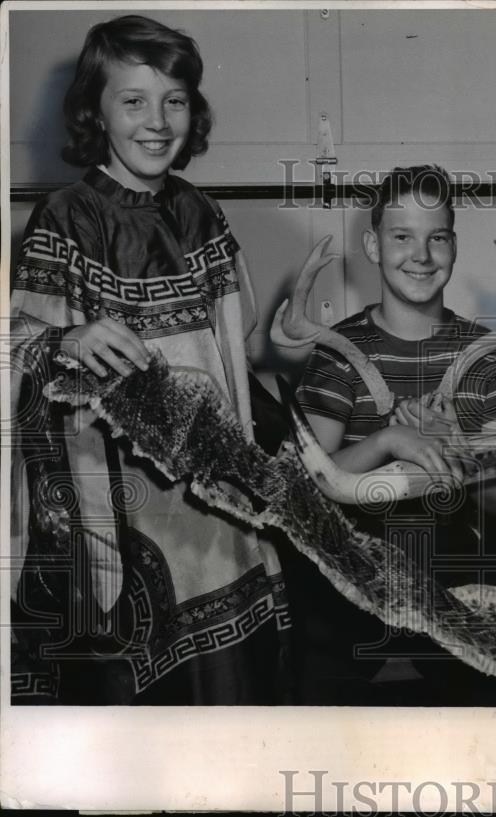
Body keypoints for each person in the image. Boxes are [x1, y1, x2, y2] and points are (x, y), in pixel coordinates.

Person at [10, 15, 290, 704]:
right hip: (118, 523)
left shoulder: (203, 214)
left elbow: (233, 360)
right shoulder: (64, 217)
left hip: (216, 520)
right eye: (132, 100)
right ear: (94, 111)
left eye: (175, 99)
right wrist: (62, 341)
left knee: (233, 727)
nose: (157, 120)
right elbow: (14, 344)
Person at [285, 164, 496, 705]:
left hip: (459, 578)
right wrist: (387, 443)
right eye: (402, 237)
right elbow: (301, 494)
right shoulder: (336, 355)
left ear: (453, 245)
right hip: (347, 585)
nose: (421, 256)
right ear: (374, 245)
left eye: (436, 238)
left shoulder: (491, 362)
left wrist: (456, 449)